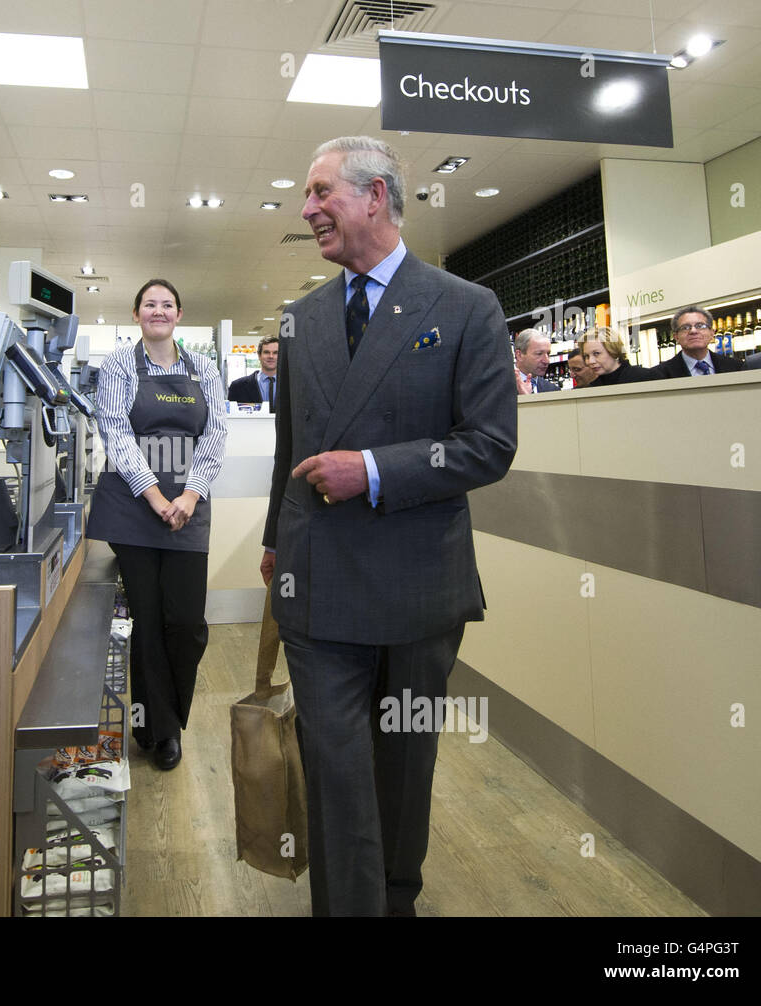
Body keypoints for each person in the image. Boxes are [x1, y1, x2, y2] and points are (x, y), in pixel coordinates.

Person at [260, 136, 517, 917]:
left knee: (403, 767)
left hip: (417, 592)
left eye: (320, 191)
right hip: (319, 592)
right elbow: (291, 448)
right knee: (337, 774)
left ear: (376, 196)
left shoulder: (467, 307)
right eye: (306, 195)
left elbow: (489, 445)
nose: (306, 209)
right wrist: (276, 539)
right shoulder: (300, 318)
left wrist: (370, 471)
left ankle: (396, 898)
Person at [85, 279, 227, 771]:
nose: (159, 311)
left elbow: (215, 435)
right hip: (133, 509)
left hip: (188, 509)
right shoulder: (120, 365)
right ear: (136, 313)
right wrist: (155, 495)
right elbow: (117, 433)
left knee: (185, 624)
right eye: (150, 304)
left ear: (180, 315)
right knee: (145, 622)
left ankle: (168, 716)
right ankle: (158, 729)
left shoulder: (204, 369)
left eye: (167, 304)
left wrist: (188, 496)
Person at [648, 306, 744, 378]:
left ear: (712, 333)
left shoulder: (736, 367)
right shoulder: (659, 375)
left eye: (700, 326)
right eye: (685, 327)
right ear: (676, 337)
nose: (693, 331)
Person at [579, 327, 654, 386]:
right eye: (586, 356)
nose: (590, 361)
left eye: (596, 353)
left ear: (613, 351)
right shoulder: (593, 387)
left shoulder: (644, 377)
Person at [227, 335, 280, 407]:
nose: (271, 356)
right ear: (259, 355)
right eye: (266, 352)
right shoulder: (237, 386)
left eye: (275, 353)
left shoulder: (291, 386)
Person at [513, 328, 558, 393]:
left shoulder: (553, 390)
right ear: (519, 355)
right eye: (539, 354)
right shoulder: (499, 386)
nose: (546, 361)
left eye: (548, 354)